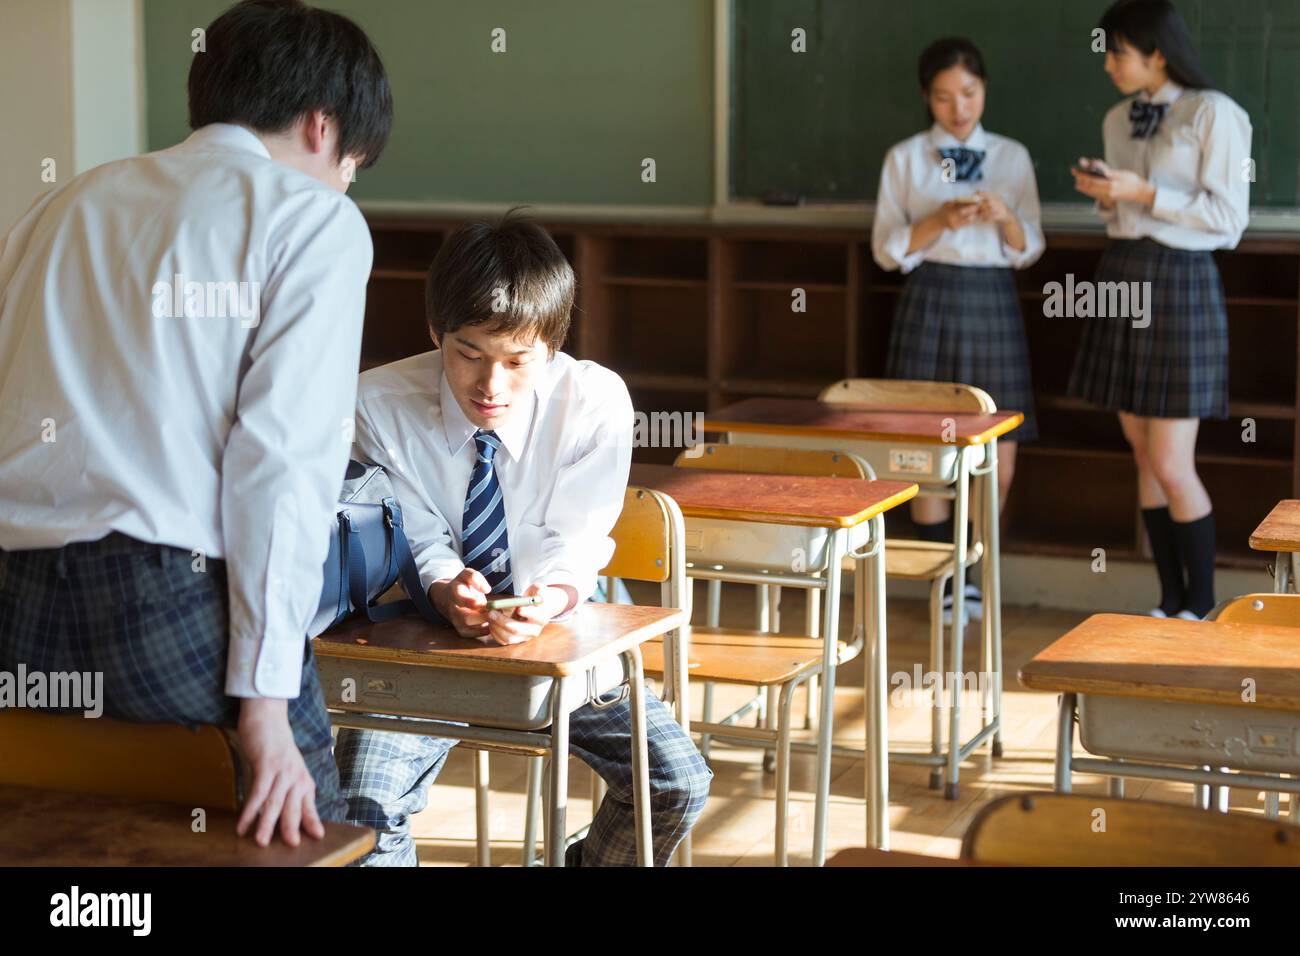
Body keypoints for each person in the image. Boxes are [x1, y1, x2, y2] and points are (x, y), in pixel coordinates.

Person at [0, 0, 392, 846]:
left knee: (72, 850)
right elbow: (283, 463)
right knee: (310, 839)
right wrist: (266, 703)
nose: (346, 184)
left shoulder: (60, 206)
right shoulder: (311, 219)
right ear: (323, 127)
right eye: (353, 164)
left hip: (16, 602)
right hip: (167, 602)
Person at [335, 213, 712, 866]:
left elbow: (578, 537)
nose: (491, 386)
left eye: (518, 361)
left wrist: (551, 597)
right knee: (360, 811)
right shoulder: (376, 404)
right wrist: (449, 588)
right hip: (432, 641)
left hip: (566, 626)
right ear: (436, 332)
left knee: (676, 780)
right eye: (469, 354)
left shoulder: (592, 402)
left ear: (553, 345)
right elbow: (415, 533)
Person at [1069, 0, 1251, 619]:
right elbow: (1130, 212)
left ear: (1158, 53)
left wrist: (1142, 191)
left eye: (1118, 53)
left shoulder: (1214, 113)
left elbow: (1228, 222)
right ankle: (1168, 601)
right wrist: (1108, 194)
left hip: (1180, 281)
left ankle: (1202, 606)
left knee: (1173, 460)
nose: (1109, 66)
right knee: (1142, 452)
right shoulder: (1119, 117)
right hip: (1124, 272)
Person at [872, 36, 1045, 623]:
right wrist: (938, 220)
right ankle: (945, 582)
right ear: (928, 98)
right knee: (926, 447)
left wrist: (1006, 218)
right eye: (944, 98)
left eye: (968, 94)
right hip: (930, 296)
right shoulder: (905, 157)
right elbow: (887, 251)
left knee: (1001, 446)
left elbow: (1030, 248)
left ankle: (978, 573)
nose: (959, 108)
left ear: (984, 90)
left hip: (992, 298)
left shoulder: (1012, 156)